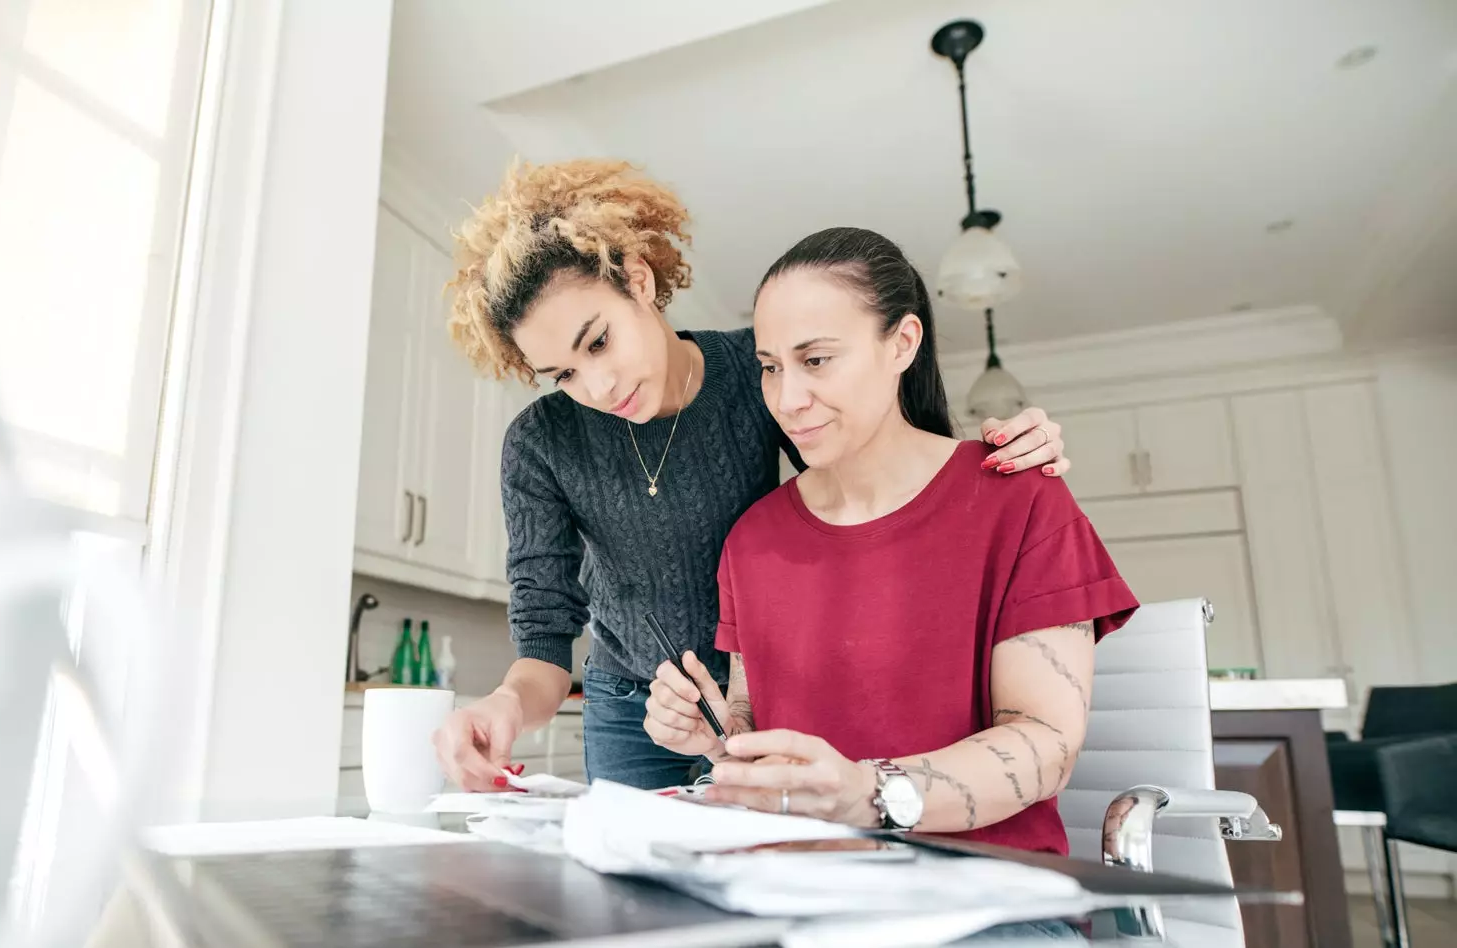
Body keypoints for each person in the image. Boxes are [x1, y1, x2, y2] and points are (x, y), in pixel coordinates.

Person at [433, 160, 1078, 793]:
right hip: (640, 707)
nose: (596, 386)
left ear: (636, 281)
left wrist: (983, 469)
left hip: (776, 687)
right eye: (564, 374)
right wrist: (506, 707)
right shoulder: (542, 443)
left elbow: (867, 485)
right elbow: (544, 635)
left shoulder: (762, 372)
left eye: (598, 342)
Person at [642, 227, 1138, 865]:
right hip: (794, 888)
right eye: (771, 368)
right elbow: (750, 716)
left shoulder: (1020, 499)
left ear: (902, 343)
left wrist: (869, 793)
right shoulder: (753, 539)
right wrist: (715, 734)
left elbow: (1044, 745)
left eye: (816, 360)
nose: (787, 399)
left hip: (985, 894)